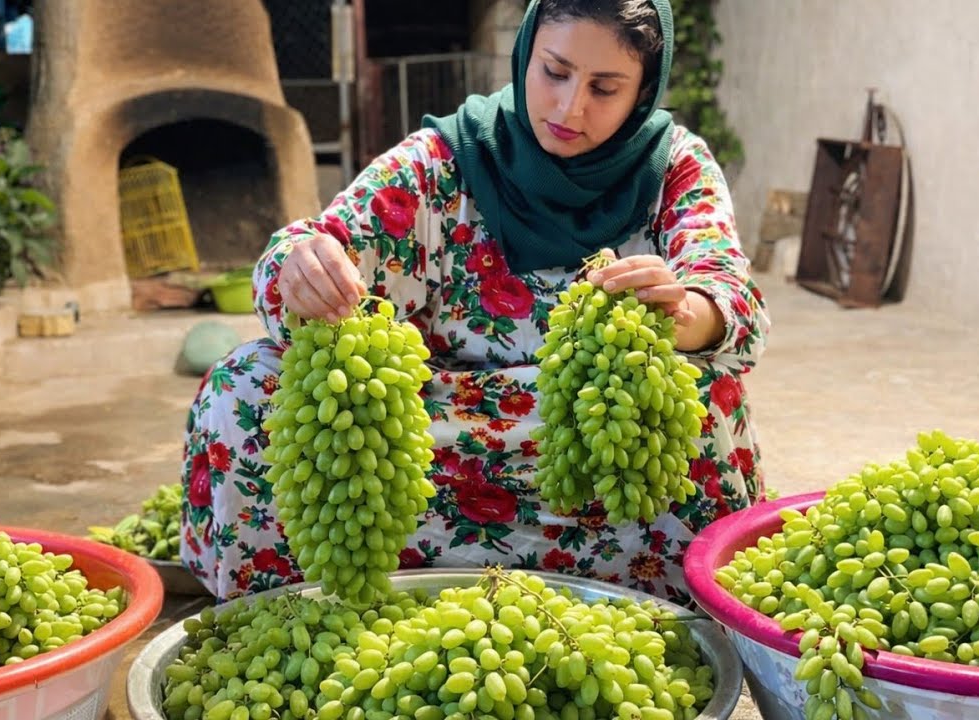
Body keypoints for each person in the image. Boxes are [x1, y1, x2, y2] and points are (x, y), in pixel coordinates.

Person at [180, 0, 769, 604]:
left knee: (707, 401)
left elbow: (729, 295)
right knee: (243, 385)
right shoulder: (446, 159)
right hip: (429, 427)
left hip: (583, 440)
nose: (571, 107)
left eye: (605, 88)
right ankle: (301, 604)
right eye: (555, 72)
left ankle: (664, 609)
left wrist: (686, 311)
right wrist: (301, 267)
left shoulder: (672, 167)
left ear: (643, 92)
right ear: (525, 55)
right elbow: (312, 248)